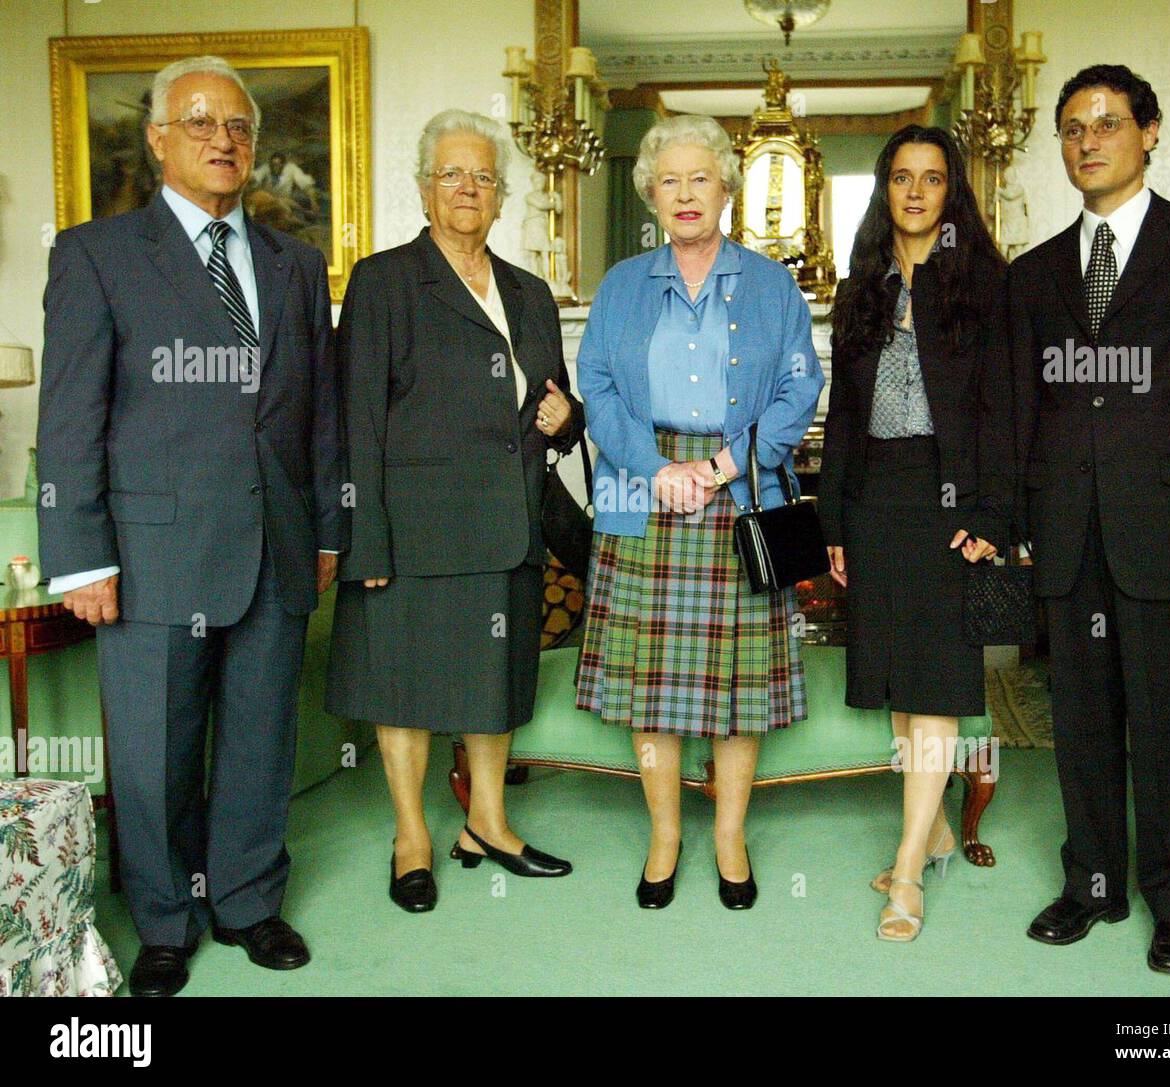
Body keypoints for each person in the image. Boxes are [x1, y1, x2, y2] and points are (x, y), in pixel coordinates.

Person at [37, 55, 347, 996]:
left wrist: (330, 527)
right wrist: (79, 556)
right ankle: (165, 919)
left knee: (261, 742)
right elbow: (69, 417)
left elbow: (318, 410)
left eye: (240, 127)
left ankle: (249, 900)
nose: (225, 140)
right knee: (155, 749)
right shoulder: (96, 254)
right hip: (151, 552)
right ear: (160, 139)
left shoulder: (293, 262)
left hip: (277, 546)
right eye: (202, 123)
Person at [1010, 65, 1170, 975]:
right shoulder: (1037, 272)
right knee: (1079, 719)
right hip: (1069, 531)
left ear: (1150, 131)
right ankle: (1091, 884)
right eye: (1073, 128)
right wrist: (1018, 515)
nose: (1088, 140)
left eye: (1108, 123)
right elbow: (1028, 407)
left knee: (1166, 721)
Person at [325, 110, 583, 911]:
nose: (467, 188)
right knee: (403, 687)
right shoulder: (384, 280)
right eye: (451, 174)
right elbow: (356, 416)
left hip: (509, 523)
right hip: (413, 528)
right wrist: (364, 540)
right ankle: (412, 837)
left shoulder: (531, 292)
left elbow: (555, 402)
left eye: (482, 177)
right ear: (424, 188)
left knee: (493, 682)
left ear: (501, 196)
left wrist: (566, 418)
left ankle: (490, 823)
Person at [575, 114, 824, 911]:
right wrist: (653, 469)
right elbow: (598, 390)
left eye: (701, 179)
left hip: (739, 489)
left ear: (727, 188)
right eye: (669, 180)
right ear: (651, 192)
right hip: (643, 491)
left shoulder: (771, 283)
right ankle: (665, 834)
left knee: (738, 687)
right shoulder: (620, 285)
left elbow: (798, 388)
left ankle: (728, 833)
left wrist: (721, 466)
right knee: (650, 687)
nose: (685, 194)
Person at [818, 125, 1012, 941]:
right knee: (901, 686)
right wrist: (833, 519)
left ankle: (907, 873)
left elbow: (1008, 413)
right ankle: (931, 829)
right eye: (902, 177)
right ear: (884, 189)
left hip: (948, 498)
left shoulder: (984, 287)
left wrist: (993, 515)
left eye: (933, 179)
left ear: (952, 191)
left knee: (933, 684)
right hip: (873, 499)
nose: (916, 192)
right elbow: (842, 422)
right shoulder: (859, 290)